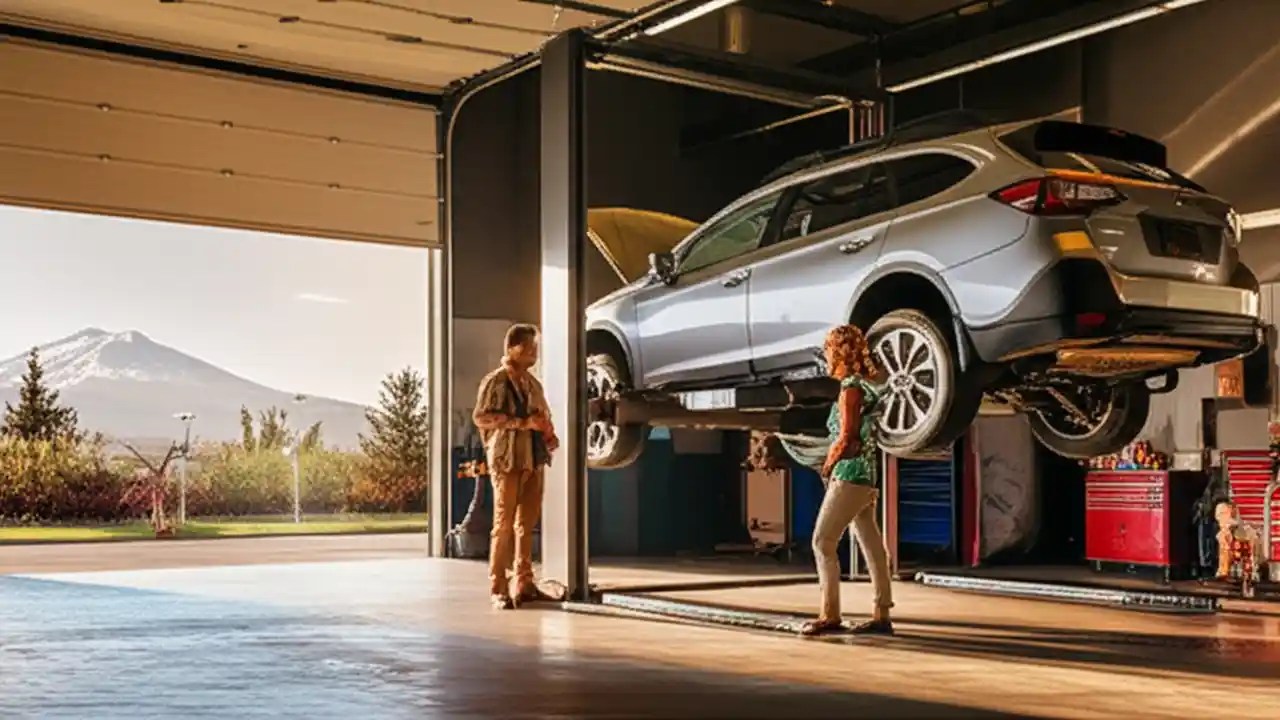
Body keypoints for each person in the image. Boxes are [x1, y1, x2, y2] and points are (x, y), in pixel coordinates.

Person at [801, 324, 894, 636]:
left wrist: (827, 466)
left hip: (849, 474)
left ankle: (830, 615)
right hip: (867, 474)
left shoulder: (850, 389)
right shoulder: (867, 386)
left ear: (838, 353)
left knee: (822, 542)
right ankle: (882, 614)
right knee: (872, 546)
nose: (827, 355)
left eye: (829, 350)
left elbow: (847, 438)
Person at [473, 323, 560, 610]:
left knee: (527, 524)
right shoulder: (495, 381)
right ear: (512, 348)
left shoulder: (534, 384)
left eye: (536, 346)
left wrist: (548, 433)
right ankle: (498, 586)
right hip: (507, 460)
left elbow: (543, 415)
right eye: (529, 345)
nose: (534, 351)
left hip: (533, 461)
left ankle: (524, 583)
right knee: (504, 524)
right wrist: (520, 423)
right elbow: (481, 418)